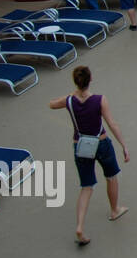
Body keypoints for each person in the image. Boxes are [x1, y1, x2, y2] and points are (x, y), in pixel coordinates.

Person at [49, 66, 129, 246]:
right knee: (111, 177)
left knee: (87, 186)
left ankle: (80, 226)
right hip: (101, 142)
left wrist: (70, 96)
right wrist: (123, 145)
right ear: (90, 79)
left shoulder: (69, 101)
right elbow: (112, 124)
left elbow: (52, 104)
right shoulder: (100, 100)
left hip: (81, 145)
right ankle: (114, 210)